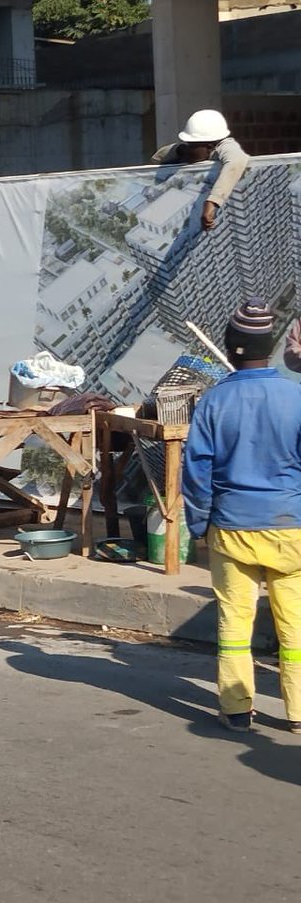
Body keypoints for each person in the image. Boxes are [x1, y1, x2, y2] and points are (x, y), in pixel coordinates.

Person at [183, 298, 301, 734]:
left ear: (231, 348)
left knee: (234, 622)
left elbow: (197, 474)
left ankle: (236, 709)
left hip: (232, 528)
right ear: (269, 349)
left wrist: (199, 526)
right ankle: (297, 712)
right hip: (291, 528)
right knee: (295, 624)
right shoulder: (296, 397)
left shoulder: (213, 403)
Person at [152, 109, 250, 232]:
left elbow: (236, 161)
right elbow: (157, 158)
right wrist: (179, 150)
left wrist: (213, 201)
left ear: (209, 147)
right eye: (186, 144)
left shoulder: (226, 147)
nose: (188, 149)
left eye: (191, 145)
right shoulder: (189, 150)